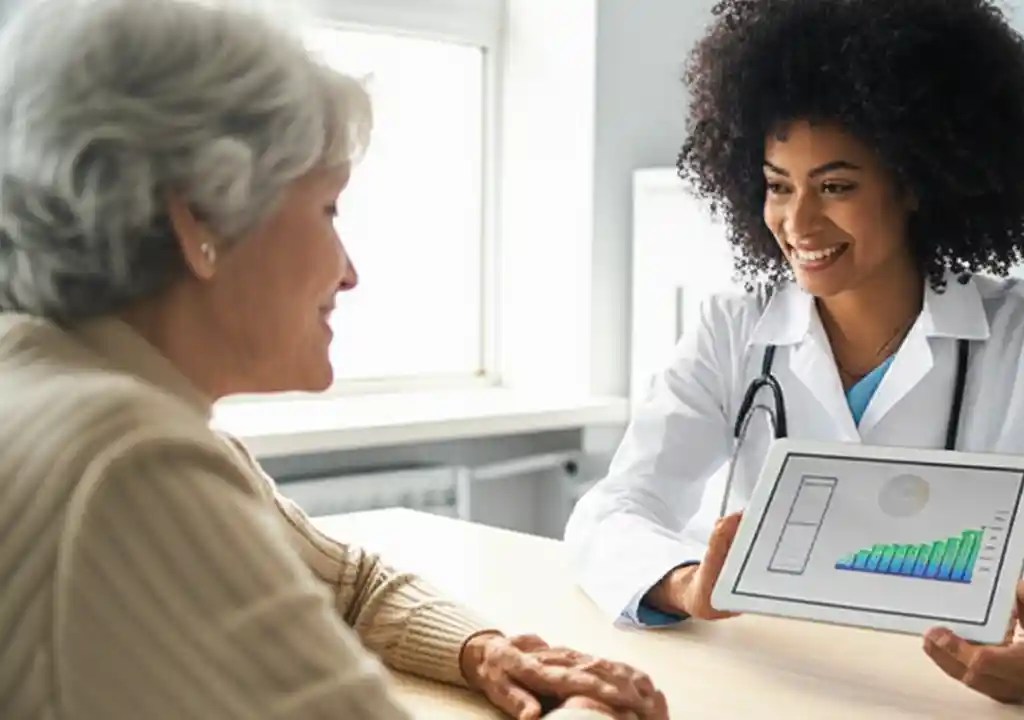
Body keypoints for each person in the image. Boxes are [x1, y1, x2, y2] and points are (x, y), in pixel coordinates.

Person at [0, 1, 666, 718]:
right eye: (328, 209)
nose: (348, 273)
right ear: (200, 217)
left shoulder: (45, 379)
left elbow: (347, 584)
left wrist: (480, 648)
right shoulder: (132, 463)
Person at [566, 0, 1024, 703]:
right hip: (767, 686)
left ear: (915, 180)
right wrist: (686, 585)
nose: (798, 222)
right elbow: (612, 511)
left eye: (835, 186)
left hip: (943, 696)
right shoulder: (731, 330)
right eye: (779, 187)